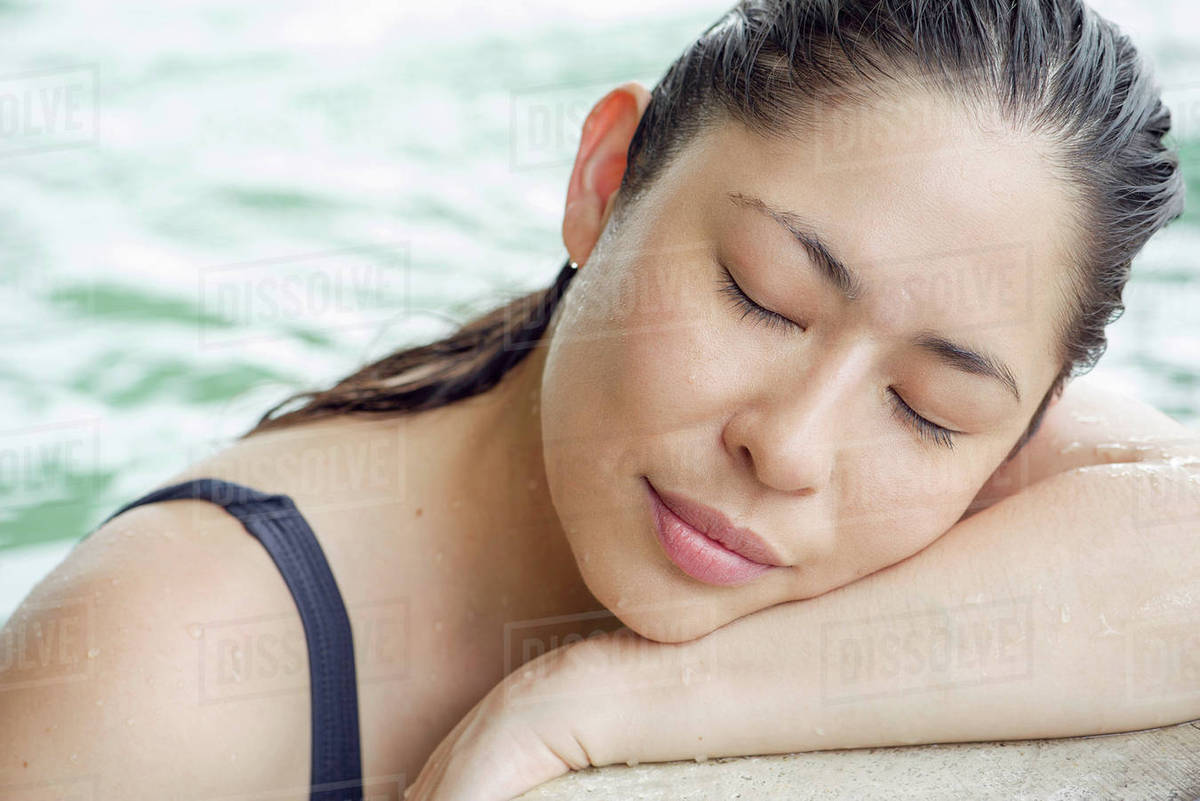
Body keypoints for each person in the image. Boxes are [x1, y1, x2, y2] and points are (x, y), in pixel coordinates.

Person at [2, 0, 1195, 799]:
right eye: (761, 295)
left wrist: (601, 705)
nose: (789, 447)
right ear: (603, 178)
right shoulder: (149, 672)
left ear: (1020, 429)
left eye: (929, 409)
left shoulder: (967, 477)